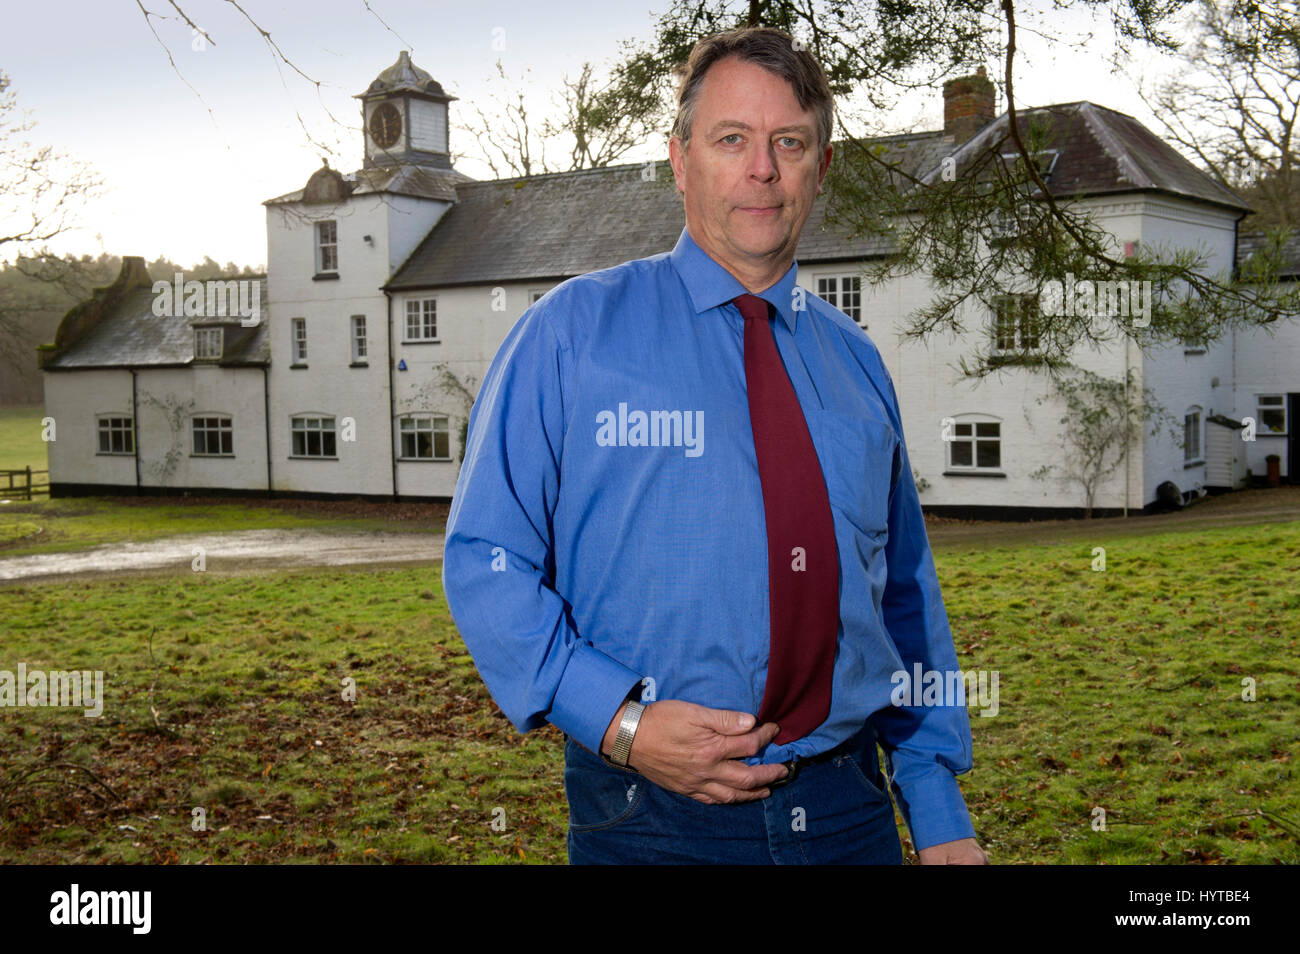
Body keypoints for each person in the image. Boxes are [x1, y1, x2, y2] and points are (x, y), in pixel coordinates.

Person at [442, 25, 988, 865]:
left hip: (849, 814)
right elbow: (486, 558)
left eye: (789, 142)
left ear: (821, 166)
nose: (761, 168)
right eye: (731, 139)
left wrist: (936, 799)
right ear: (680, 158)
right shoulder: (570, 336)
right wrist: (619, 723)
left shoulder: (858, 365)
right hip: (650, 819)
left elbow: (905, 596)